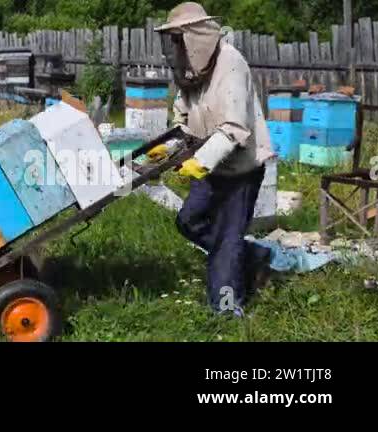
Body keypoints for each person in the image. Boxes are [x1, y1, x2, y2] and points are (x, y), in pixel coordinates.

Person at [148, 2, 275, 316]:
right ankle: (252, 256)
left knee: (227, 240)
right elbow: (182, 116)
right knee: (188, 221)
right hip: (210, 164)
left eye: (179, 38)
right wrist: (170, 146)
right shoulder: (191, 70)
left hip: (240, 168)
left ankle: (228, 311)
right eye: (172, 40)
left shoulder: (231, 64)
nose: (175, 46)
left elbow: (235, 127)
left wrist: (199, 162)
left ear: (197, 36)